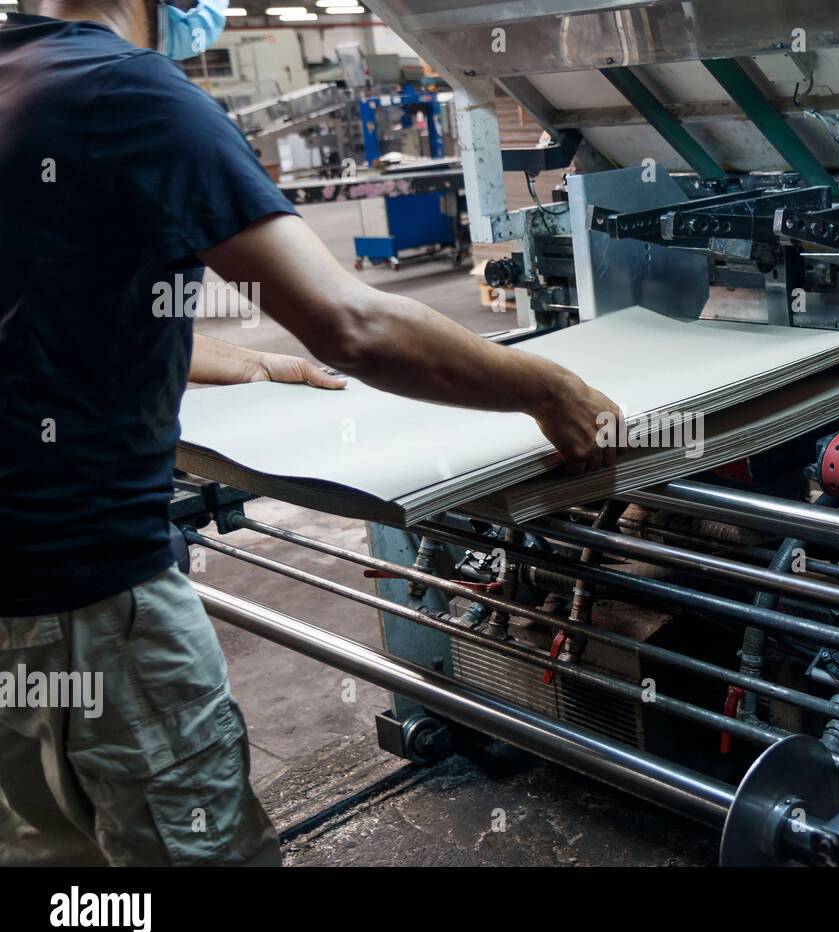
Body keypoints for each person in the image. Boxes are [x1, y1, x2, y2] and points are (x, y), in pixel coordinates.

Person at [0, 0, 621, 865]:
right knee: (188, 848)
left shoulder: (18, 81)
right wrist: (545, 388)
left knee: (60, 862)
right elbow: (352, 325)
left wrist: (255, 366)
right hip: (86, 598)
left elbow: (60, 309)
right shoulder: (130, 93)